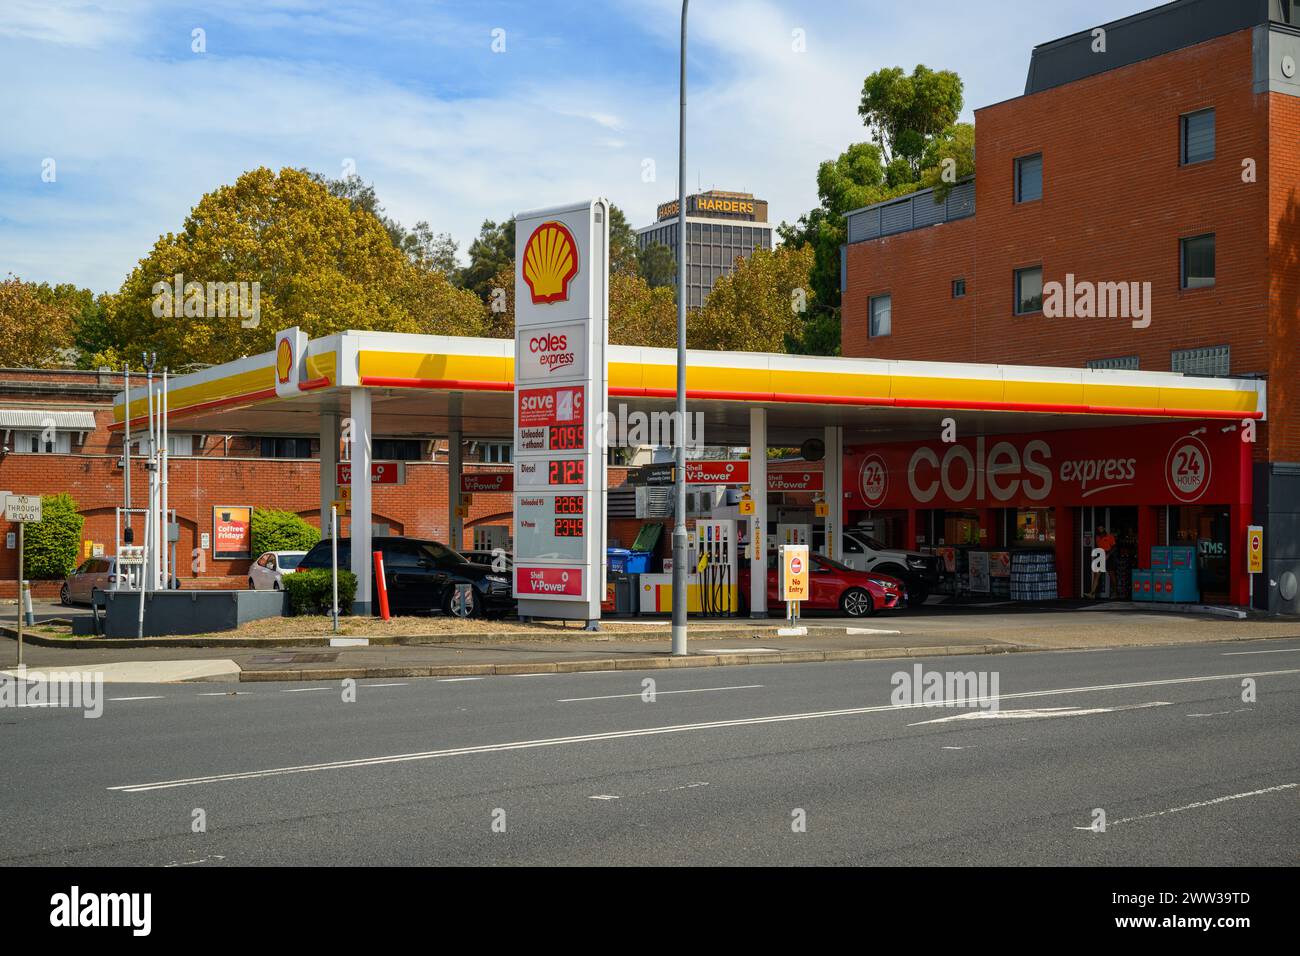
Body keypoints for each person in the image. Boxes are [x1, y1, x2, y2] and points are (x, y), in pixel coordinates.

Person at [1086, 525, 1117, 599]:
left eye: (1101, 528)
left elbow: (1114, 547)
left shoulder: (1110, 537)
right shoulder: (1097, 537)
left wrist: (1108, 555)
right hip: (1100, 555)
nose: (1100, 529)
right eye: (1099, 528)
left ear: (1104, 529)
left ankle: (1115, 593)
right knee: (1096, 575)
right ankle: (1092, 593)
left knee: (1111, 575)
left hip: (1108, 556)